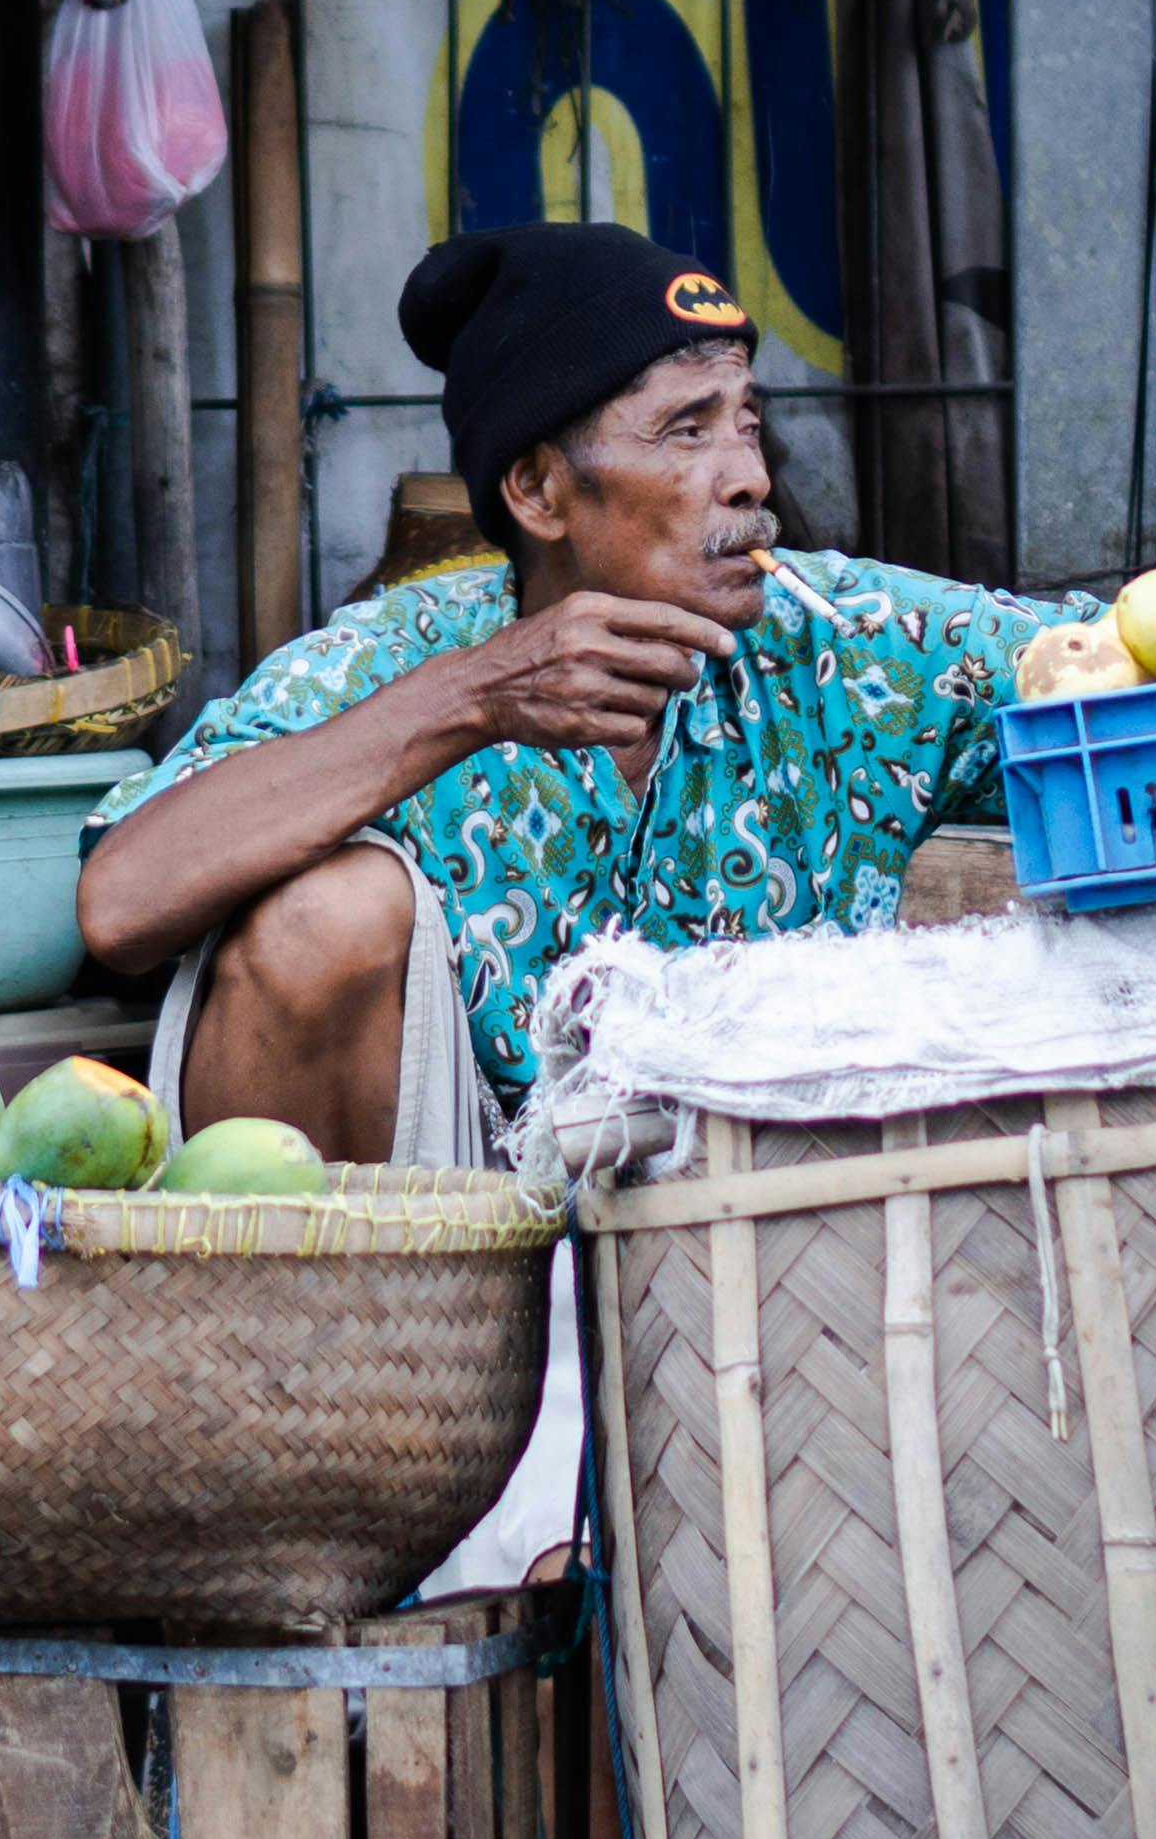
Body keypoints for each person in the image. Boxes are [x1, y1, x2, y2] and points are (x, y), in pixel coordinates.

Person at [77, 220, 1095, 1161]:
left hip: (763, 1228)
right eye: (686, 431)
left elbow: (1114, 664)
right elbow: (123, 899)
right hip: (458, 1221)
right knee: (322, 915)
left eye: (747, 422)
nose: (748, 476)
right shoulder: (411, 655)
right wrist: (472, 699)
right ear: (539, 491)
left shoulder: (848, 640)